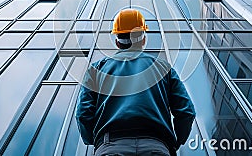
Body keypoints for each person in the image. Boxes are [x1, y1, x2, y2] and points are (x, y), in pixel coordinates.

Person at [76, 8, 195, 156]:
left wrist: (97, 142)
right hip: (156, 147)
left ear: (117, 42)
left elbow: (83, 114)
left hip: (111, 147)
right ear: (143, 39)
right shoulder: (164, 68)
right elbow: (186, 111)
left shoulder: (96, 69)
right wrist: (176, 142)